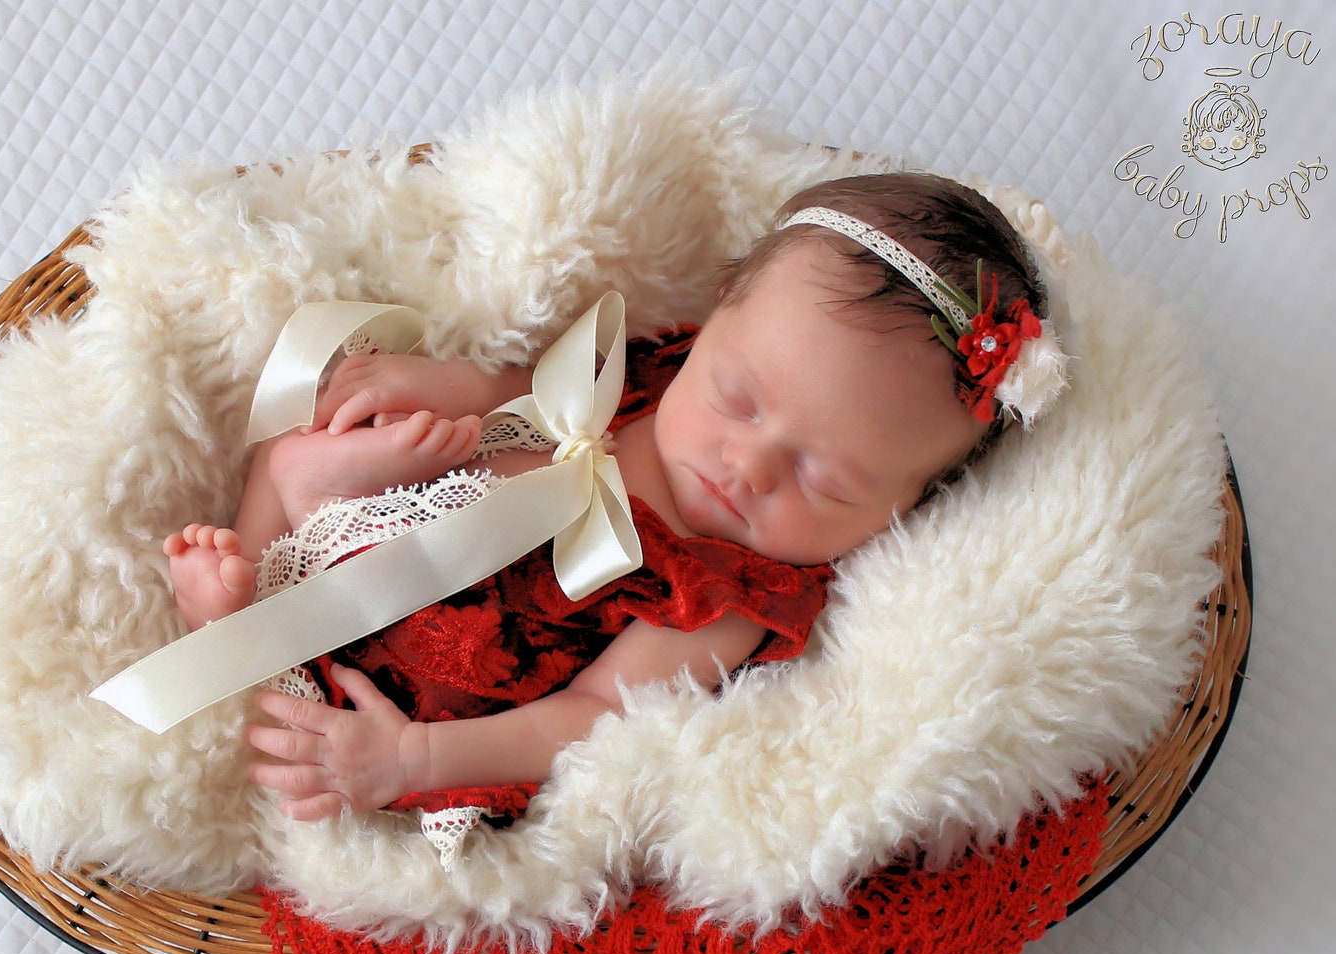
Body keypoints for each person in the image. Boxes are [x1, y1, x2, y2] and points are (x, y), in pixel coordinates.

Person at [164, 172, 1063, 821]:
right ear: (714, 319)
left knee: (305, 709)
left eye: (825, 480)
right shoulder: (655, 373)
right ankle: (257, 549)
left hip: (406, 691)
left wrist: (412, 759)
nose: (747, 465)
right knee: (308, 435)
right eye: (738, 399)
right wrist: (427, 382)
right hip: (416, 499)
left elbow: (593, 720)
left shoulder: (729, 598)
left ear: (903, 513)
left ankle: (242, 617)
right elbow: (524, 389)